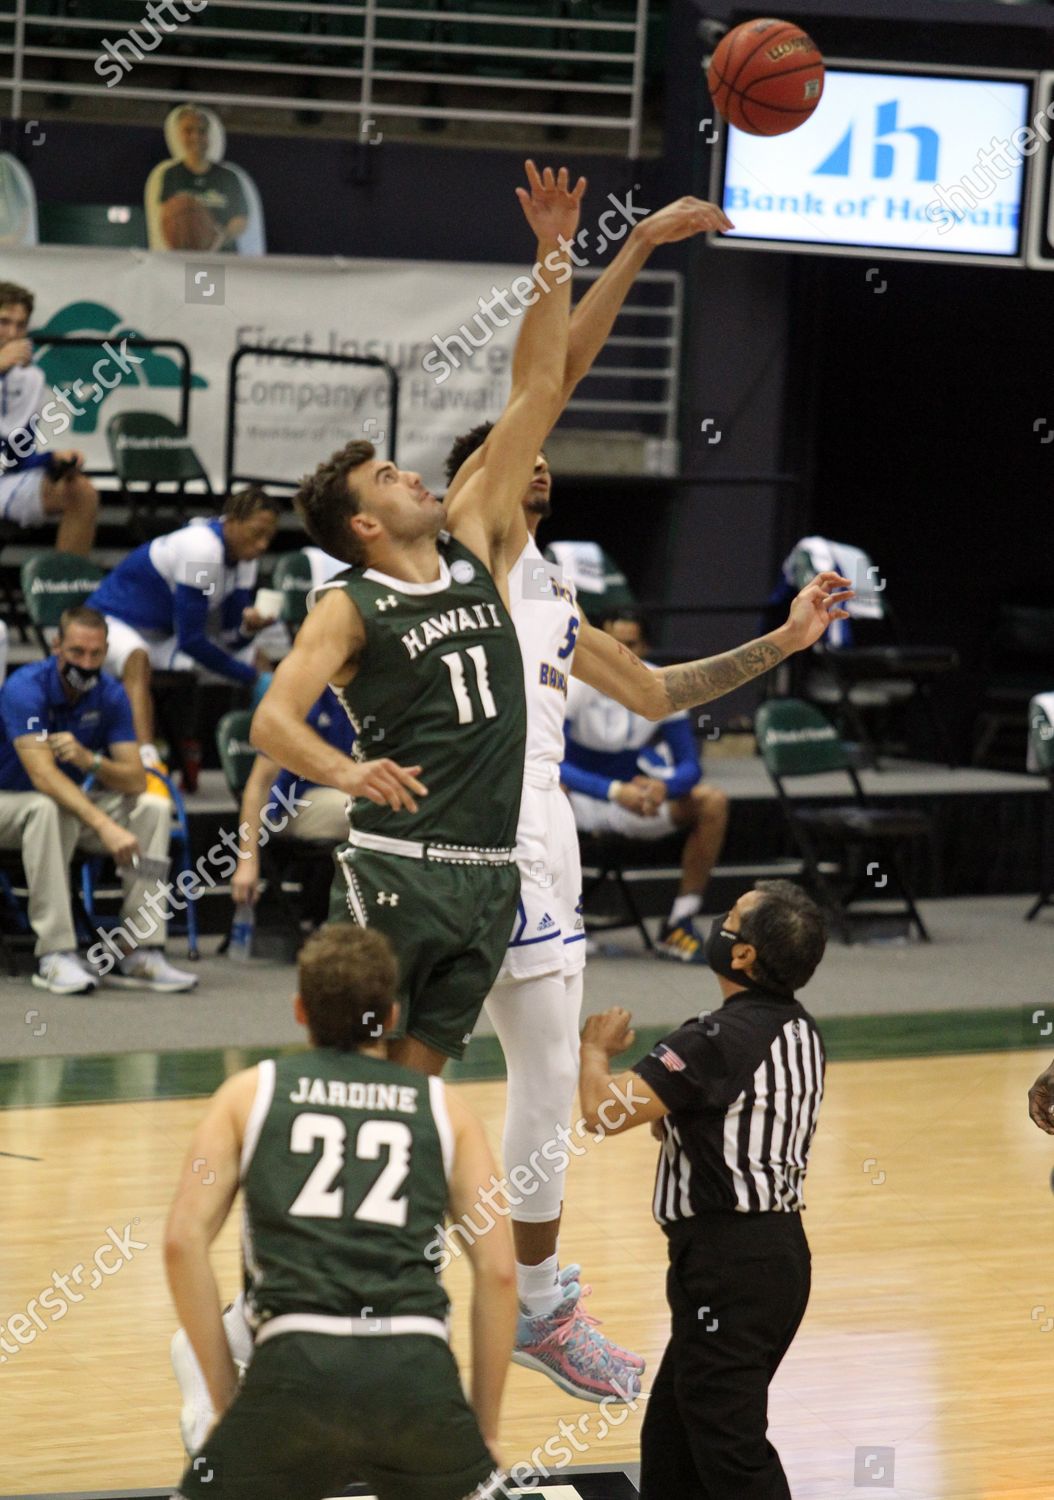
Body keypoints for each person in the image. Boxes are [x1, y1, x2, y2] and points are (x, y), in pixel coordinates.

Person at [437, 191, 849, 1403]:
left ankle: (536, 1308)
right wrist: (594, 251)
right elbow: (547, 377)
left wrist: (782, 641)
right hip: (464, 821)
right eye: (519, 443)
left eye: (540, 450)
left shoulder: (552, 587)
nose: (539, 451)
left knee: (541, 1077)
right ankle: (344, 1283)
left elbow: (663, 693)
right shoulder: (472, 534)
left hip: (538, 833)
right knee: (400, 1071)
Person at [251, 161, 587, 1083]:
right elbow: (271, 721)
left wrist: (553, 253)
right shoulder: (347, 606)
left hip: (489, 873)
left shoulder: (476, 542)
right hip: (398, 866)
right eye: (388, 479)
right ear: (364, 525)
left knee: (416, 1092)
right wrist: (346, 771)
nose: (411, 476)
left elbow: (540, 388)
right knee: (355, 1077)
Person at [165, 923, 517, 1500]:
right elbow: (500, 1273)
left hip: (294, 1371)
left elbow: (182, 1244)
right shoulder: (445, 1110)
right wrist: (487, 1431)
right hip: (414, 1375)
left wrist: (227, 1401)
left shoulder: (247, 1095)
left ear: (300, 1010)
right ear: (393, 1014)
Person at [578, 880, 828, 1500]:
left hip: (730, 1262)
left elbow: (603, 1112)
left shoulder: (716, 1038)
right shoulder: (799, 1031)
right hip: (771, 1258)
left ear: (742, 955)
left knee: (728, 1445)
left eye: (730, 918)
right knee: (675, 1436)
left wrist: (594, 1051)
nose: (719, 922)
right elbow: (714, 1115)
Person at [0, 606, 196, 993]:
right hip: (10, 801)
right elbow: (43, 776)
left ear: (106, 652)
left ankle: (139, 949)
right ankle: (55, 954)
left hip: (66, 806)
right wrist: (105, 826)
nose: (86, 664)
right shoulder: (26, 689)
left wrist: (89, 760)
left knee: (152, 808)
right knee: (46, 808)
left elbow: (135, 779)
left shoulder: (110, 695)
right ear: (56, 646)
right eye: (77, 652)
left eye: (95, 654)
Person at [563, 608, 729, 963]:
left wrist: (663, 789)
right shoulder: (571, 680)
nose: (621, 653)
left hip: (634, 801)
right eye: (613, 642)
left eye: (631, 644)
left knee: (712, 802)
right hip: (577, 799)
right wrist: (613, 791)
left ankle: (679, 923)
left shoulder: (661, 683)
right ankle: (560, 922)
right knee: (547, 791)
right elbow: (552, 763)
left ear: (646, 647)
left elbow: (690, 765)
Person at [87, 488, 282, 765]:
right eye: (256, 533)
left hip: (164, 635)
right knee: (136, 657)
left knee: (258, 658)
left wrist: (249, 630)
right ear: (232, 521)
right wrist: (250, 678)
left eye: (269, 537)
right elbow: (191, 641)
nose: (262, 544)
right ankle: (146, 763)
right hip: (112, 622)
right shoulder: (201, 550)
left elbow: (231, 638)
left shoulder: (245, 558)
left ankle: (273, 757)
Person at [230, 686, 355, 923]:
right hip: (292, 802)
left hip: (353, 793)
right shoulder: (302, 693)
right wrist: (247, 861)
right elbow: (259, 784)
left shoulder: (372, 691)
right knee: (366, 809)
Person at [0, 281, 99, 554]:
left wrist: (53, 459)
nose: (12, 334)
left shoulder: (31, 378)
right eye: (3, 322)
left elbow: (15, 454)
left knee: (81, 493)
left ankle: (67, 580)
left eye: (20, 325)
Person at [156, 106, 248, 252]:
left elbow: (241, 219)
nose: (195, 137)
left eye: (202, 131)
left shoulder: (228, 176)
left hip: (223, 257)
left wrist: (218, 238)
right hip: (185, 257)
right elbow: (168, 217)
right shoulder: (171, 175)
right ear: (178, 135)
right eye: (188, 130)